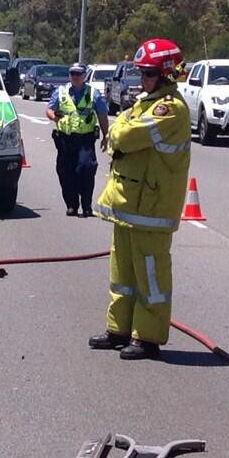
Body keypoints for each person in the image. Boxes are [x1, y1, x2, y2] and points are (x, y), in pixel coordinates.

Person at [89, 38, 191, 360]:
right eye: (141, 74)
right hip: (128, 206)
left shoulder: (170, 110)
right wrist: (120, 129)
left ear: (165, 75)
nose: (142, 80)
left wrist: (121, 130)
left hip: (151, 209)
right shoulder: (144, 103)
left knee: (150, 276)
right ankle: (119, 330)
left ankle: (147, 338)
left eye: (147, 74)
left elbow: (123, 135)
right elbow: (117, 132)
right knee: (122, 275)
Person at [46, 62, 110, 217]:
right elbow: (49, 109)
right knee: (65, 172)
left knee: (86, 169)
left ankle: (86, 205)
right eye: (72, 74)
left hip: (85, 140)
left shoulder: (93, 94)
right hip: (65, 140)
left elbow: (102, 115)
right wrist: (54, 116)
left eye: (78, 74)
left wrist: (105, 136)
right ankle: (72, 205)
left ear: (84, 76)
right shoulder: (60, 92)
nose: (75, 77)